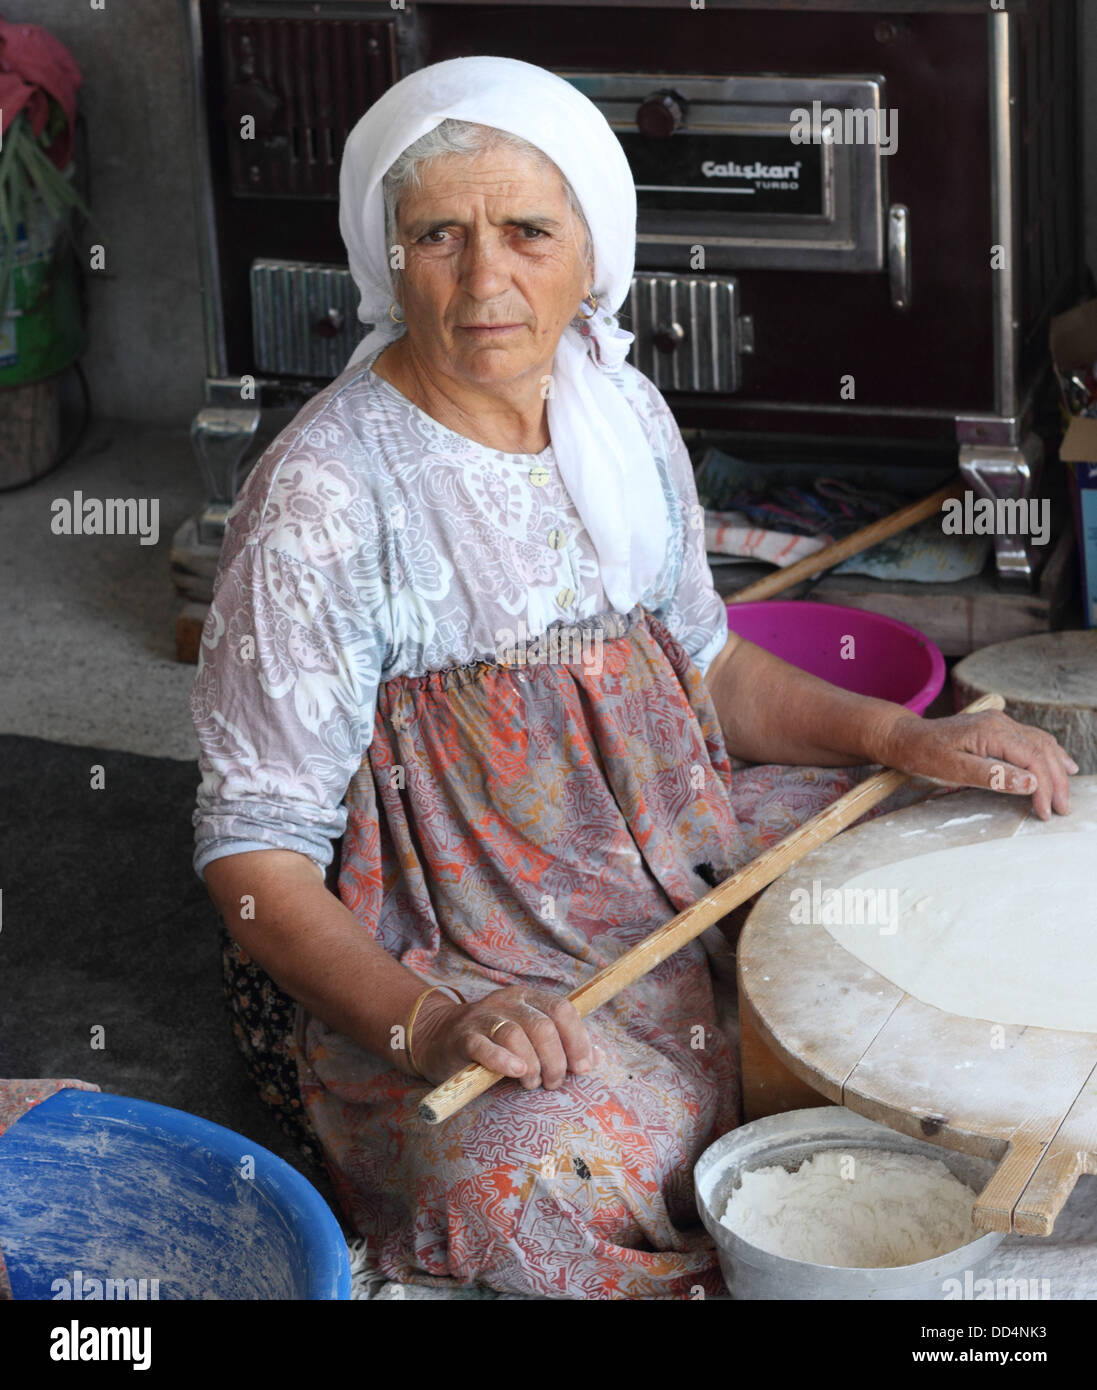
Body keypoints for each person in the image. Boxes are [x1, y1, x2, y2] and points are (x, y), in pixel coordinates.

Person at [191, 55, 1077, 1300]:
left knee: (967, 848)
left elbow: (706, 672)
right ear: (384, 259)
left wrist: (899, 736)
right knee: (522, 1172)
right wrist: (433, 1024)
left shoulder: (617, 411)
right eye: (437, 234)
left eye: (526, 231)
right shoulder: (325, 500)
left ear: (590, 250)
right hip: (479, 958)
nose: (485, 277)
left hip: (689, 851)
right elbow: (253, 856)